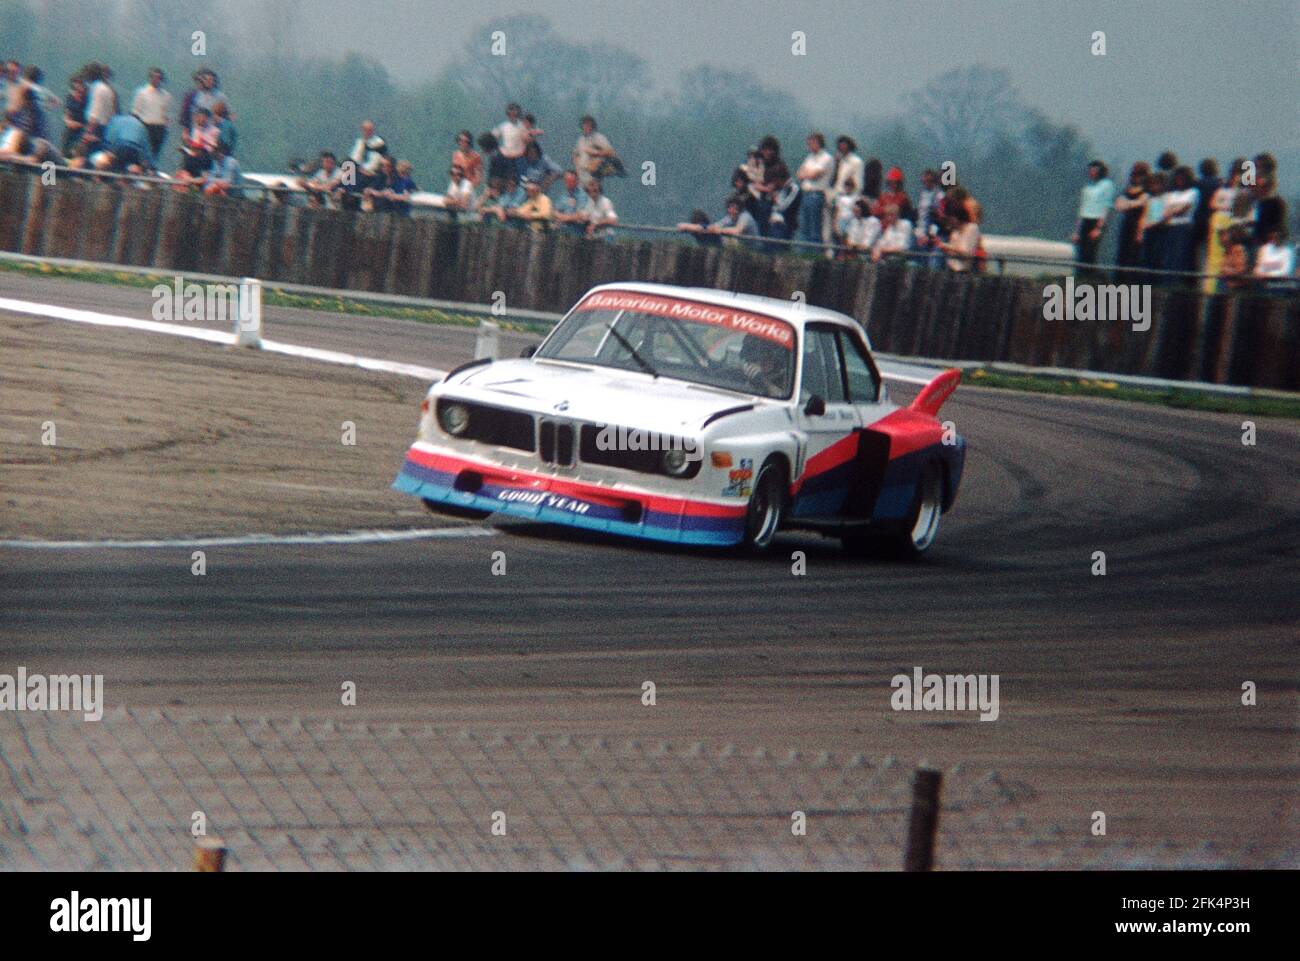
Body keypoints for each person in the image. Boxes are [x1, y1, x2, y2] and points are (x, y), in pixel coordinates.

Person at [1072, 160, 1115, 271]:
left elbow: (1106, 207)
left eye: (1093, 170)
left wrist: (1098, 228)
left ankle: (1091, 277)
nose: (1090, 172)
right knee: (1082, 251)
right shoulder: (1087, 187)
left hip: (1097, 220)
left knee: (1091, 251)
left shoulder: (1107, 185)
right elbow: (1082, 209)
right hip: (1086, 219)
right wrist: (1077, 231)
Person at [1161, 165, 1201, 279]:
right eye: (1177, 177)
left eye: (1182, 178)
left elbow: (1184, 208)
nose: (1179, 180)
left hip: (1183, 228)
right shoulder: (1170, 194)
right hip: (1169, 228)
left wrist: (1173, 209)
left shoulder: (1193, 192)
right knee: (1168, 258)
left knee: (1179, 258)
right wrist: (1173, 209)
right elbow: (1165, 210)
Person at [795, 131, 834, 246]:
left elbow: (814, 174)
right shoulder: (809, 157)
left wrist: (807, 173)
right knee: (804, 227)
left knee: (814, 228)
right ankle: (805, 253)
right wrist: (807, 173)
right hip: (806, 193)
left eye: (811, 143)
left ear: (818, 143)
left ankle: (815, 253)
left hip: (816, 194)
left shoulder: (826, 158)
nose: (809, 146)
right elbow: (799, 174)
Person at [1113, 161, 1150, 281]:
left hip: (1136, 226)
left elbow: (1142, 204)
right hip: (1126, 224)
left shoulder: (1145, 193)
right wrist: (1130, 204)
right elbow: (1118, 205)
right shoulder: (1127, 190)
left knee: (1133, 255)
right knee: (1122, 253)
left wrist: (1140, 232)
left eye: (1139, 175)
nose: (1136, 177)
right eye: (1134, 174)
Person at [130, 68, 171, 166]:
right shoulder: (141, 92)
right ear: (150, 78)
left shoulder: (166, 95)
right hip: (145, 126)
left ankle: (150, 171)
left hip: (159, 128)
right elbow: (135, 112)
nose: (156, 80)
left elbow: (166, 114)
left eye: (159, 78)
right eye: (154, 77)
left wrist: (166, 128)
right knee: (141, 153)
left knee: (154, 154)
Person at [572, 114, 615, 185]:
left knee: (593, 193)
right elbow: (575, 154)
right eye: (584, 124)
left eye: (589, 124)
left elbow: (611, 152)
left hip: (593, 175)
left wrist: (595, 153)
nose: (586, 126)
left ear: (593, 126)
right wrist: (577, 168)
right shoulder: (580, 140)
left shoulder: (599, 138)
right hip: (581, 175)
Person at [938, 203, 979, 271]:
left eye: (951, 218)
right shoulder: (955, 232)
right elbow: (952, 251)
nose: (950, 221)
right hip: (951, 268)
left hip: (963, 270)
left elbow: (966, 252)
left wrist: (947, 246)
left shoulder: (972, 228)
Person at [493, 102, 527, 175]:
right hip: (506, 157)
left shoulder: (523, 126)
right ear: (508, 113)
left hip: (520, 157)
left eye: (515, 110)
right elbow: (493, 137)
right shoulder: (503, 126)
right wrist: (499, 149)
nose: (513, 112)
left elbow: (528, 139)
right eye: (510, 110)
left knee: (520, 178)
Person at [552, 169, 586, 236]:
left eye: (571, 180)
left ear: (577, 181)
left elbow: (582, 215)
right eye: (566, 180)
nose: (568, 183)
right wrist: (559, 216)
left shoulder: (582, 196)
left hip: (575, 232)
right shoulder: (563, 195)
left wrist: (565, 218)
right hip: (561, 230)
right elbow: (555, 211)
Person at [62, 73, 88, 157]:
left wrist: (80, 126)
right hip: (70, 132)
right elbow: (67, 114)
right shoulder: (70, 97)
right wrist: (68, 121)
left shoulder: (88, 99)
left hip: (83, 133)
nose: (77, 92)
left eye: (80, 89)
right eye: (74, 89)